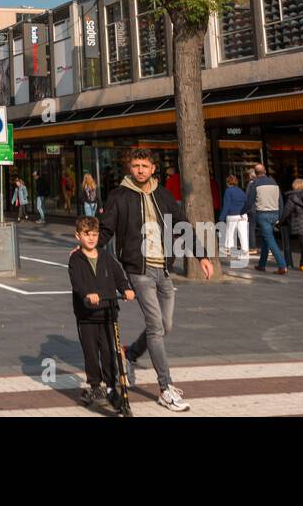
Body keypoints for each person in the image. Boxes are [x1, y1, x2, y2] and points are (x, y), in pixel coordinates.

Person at [96, 148, 212, 412]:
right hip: (139, 270)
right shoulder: (119, 196)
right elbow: (106, 229)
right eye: (135, 165)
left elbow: (181, 225)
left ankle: (131, 353)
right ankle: (165, 388)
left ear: (152, 168)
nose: (140, 170)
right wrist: (88, 247)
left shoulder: (163, 195)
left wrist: (202, 256)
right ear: (129, 167)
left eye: (144, 165)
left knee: (165, 326)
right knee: (156, 326)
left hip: (164, 269)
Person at [69, 215, 134, 406]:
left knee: (108, 351)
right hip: (87, 315)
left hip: (107, 313)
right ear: (78, 236)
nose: (91, 238)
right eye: (87, 234)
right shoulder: (75, 259)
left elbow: (118, 275)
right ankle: (95, 386)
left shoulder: (106, 256)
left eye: (95, 234)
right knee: (91, 352)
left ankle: (112, 386)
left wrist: (126, 289)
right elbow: (77, 282)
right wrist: (87, 293)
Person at [244, 163, 288, 274]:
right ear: (265, 172)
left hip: (263, 214)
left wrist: (242, 212)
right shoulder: (274, 183)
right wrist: (279, 216)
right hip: (274, 214)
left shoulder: (255, 184)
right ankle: (261, 265)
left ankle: (282, 265)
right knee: (266, 239)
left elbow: (250, 202)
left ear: (256, 173)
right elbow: (281, 202)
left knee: (269, 239)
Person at [220, 174, 248, 260]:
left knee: (230, 233)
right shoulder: (241, 191)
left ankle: (230, 250)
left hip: (232, 215)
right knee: (243, 234)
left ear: (228, 182)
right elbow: (246, 202)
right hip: (242, 215)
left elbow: (226, 205)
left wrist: (221, 217)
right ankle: (245, 252)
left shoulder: (228, 191)